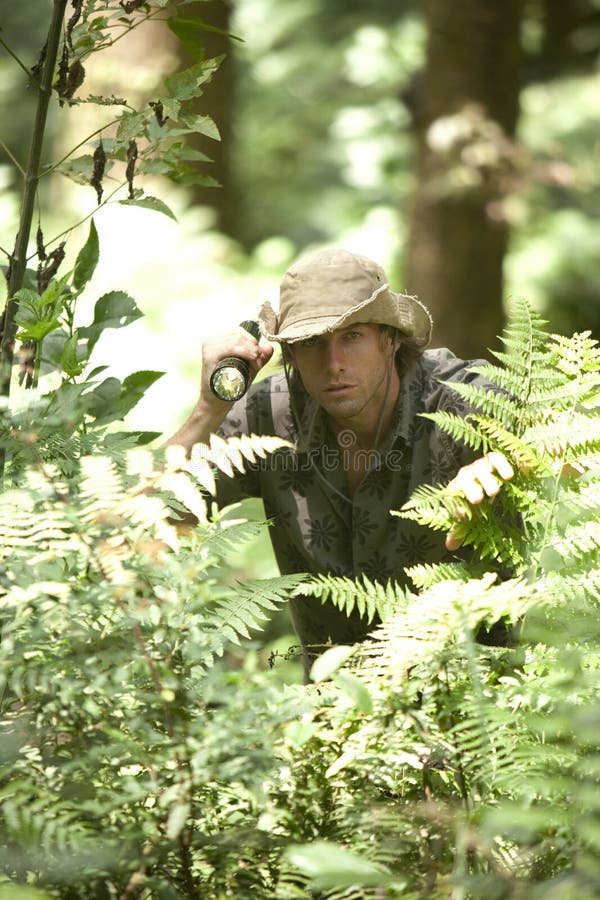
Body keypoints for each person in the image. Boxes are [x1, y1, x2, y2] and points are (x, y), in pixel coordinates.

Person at [167, 248, 514, 674]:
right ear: (289, 354)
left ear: (390, 339)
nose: (334, 364)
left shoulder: (461, 395)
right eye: (312, 343)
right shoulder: (271, 414)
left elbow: (578, 444)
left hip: (477, 710)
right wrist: (209, 408)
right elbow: (148, 515)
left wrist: (509, 460)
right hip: (334, 716)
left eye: (352, 336)